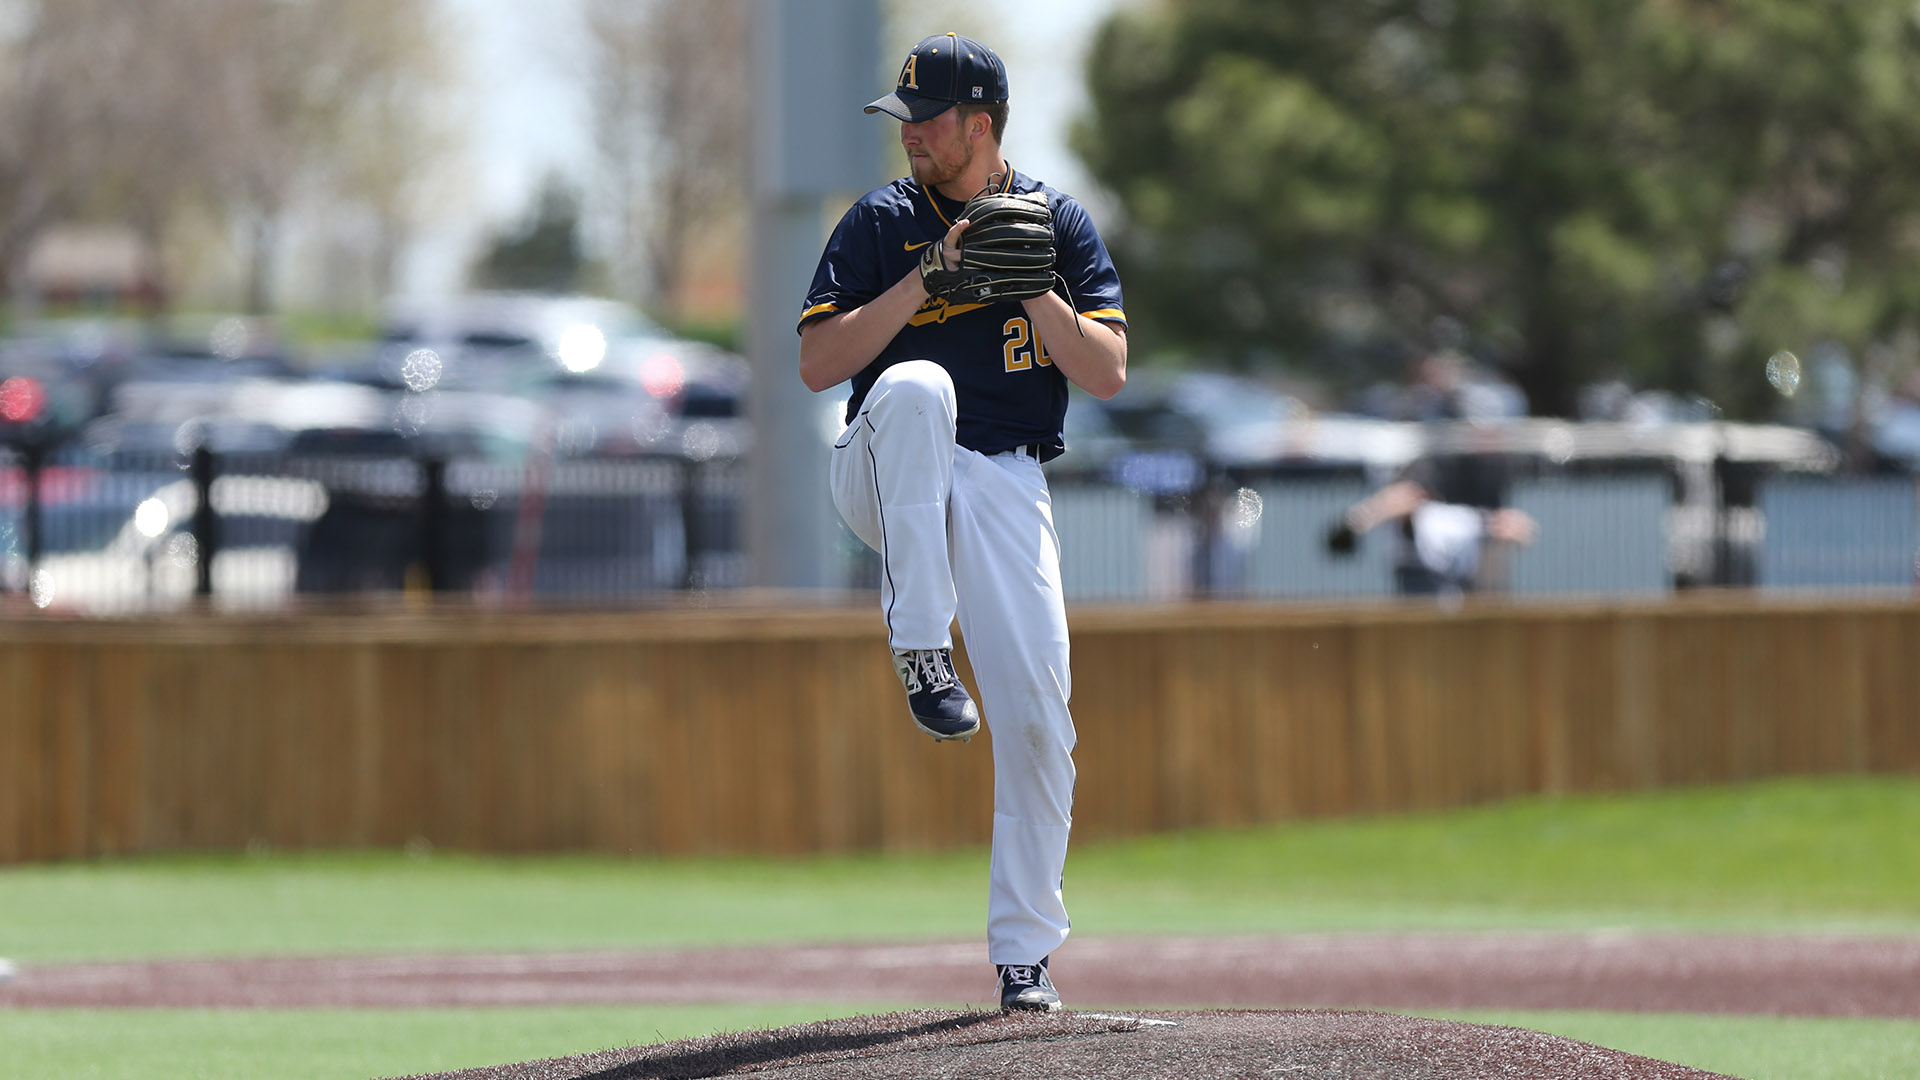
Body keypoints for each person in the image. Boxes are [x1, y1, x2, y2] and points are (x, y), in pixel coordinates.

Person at [795, 32, 1127, 1013]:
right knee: (918, 388)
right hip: (883, 469)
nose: (911, 140)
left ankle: (1025, 957)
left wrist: (1029, 280)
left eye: (927, 121)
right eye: (904, 123)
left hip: (1003, 485)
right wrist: (925, 281)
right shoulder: (883, 219)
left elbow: (1106, 373)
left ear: (980, 123)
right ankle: (921, 649)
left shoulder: (1057, 224)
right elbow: (817, 367)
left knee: (1036, 717)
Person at [1327, 458, 1538, 596]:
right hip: (1423, 586)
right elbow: (1398, 498)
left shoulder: (1445, 518)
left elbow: (1521, 528)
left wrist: (1356, 521)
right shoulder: (1430, 518)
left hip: (1458, 587)